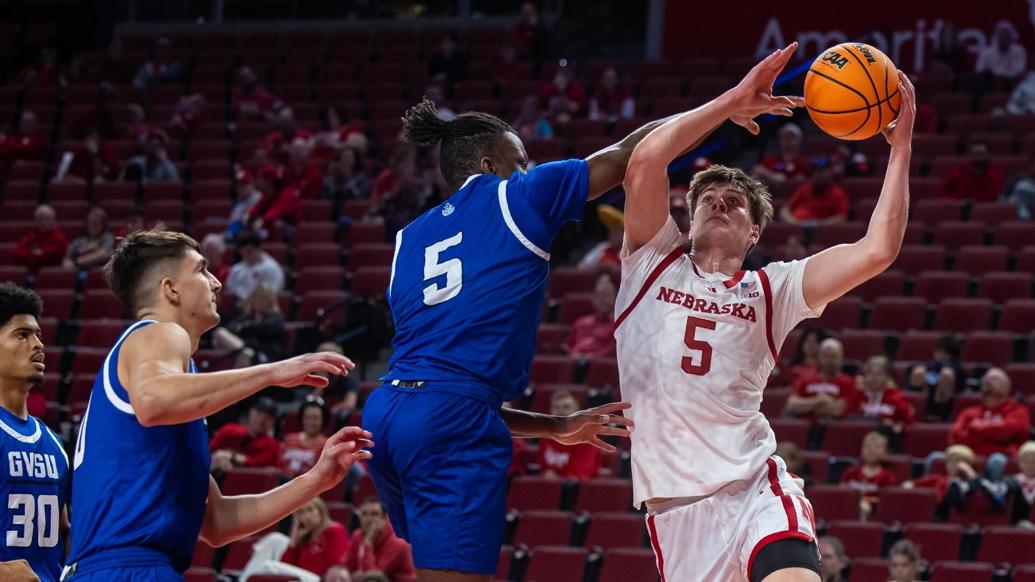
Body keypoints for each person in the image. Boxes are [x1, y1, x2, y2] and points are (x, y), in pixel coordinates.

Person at [362, 75, 687, 578]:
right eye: (521, 160)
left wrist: (554, 428)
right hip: (448, 420)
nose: (529, 169)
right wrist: (727, 106)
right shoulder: (519, 196)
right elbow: (633, 153)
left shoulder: (409, 241)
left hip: (386, 414)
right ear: (491, 164)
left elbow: (449, 385)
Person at [614, 43, 915, 582]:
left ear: (754, 233)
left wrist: (900, 148)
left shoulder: (773, 289)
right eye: (709, 199)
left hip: (755, 488)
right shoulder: (650, 264)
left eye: (735, 201)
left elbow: (877, 250)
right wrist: (731, 101)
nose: (720, 203)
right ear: (688, 220)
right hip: (674, 515)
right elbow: (645, 161)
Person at [65, 228, 373, 581]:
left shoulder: (178, 386)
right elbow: (153, 401)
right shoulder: (157, 332)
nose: (216, 283)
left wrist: (316, 480)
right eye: (200, 270)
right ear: (171, 289)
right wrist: (273, 371)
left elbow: (219, 523)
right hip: (125, 568)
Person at [0, 283, 71, 582]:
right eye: (22, 335)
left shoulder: (55, 444)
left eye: (39, 335)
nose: (38, 344)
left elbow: (65, 533)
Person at [239, 497, 349, 582]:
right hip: (300, 577)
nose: (306, 516)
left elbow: (334, 559)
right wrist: (294, 539)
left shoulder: (335, 530)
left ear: (321, 510)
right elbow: (286, 564)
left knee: (267, 566)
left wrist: (301, 569)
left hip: (319, 578)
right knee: (275, 538)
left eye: (310, 510)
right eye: (301, 512)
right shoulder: (305, 537)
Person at [325, 496, 416, 582]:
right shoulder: (358, 535)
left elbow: (373, 576)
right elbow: (348, 565)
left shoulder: (397, 542)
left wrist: (367, 544)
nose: (369, 519)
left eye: (374, 514)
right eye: (364, 514)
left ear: (384, 518)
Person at [951, 367, 1031, 458]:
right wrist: (993, 442)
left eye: (996, 380)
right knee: (936, 457)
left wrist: (974, 427)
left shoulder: (1018, 411)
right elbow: (956, 436)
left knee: (997, 459)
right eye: (986, 380)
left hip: (1003, 458)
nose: (989, 384)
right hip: (971, 456)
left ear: (1008, 386)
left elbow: (1004, 433)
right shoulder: (968, 413)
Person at [785, 338, 858, 423]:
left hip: (832, 428)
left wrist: (806, 407)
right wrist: (818, 400)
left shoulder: (848, 382)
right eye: (825, 356)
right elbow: (792, 404)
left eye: (833, 356)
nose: (829, 361)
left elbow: (837, 410)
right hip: (806, 427)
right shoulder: (806, 379)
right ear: (819, 357)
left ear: (841, 358)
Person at [211, 285, 286, 366]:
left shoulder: (275, 318)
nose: (259, 301)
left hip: (264, 354)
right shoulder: (247, 317)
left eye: (263, 298)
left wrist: (245, 328)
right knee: (221, 333)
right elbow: (231, 328)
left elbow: (264, 329)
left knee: (243, 355)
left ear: (270, 300)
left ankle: (243, 351)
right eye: (257, 297)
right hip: (247, 351)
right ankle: (243, 350)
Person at [538, 390, 603, 480]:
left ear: (577, 411)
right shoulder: (546, 436)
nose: (560, 412)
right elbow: (544, 469)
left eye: (566, 407)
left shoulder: (587, 438)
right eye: (556, 408)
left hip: (580, 491)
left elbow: (576, 477)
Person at [210, 397, 282, 473]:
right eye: (259, 413)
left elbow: (258, 463)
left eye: (268, 418)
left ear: (273, 422)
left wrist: (232, 456)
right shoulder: (229, 431)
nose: (261, 420)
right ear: (251, 412)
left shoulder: (272, 444)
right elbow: (209, 450)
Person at [840, 431, 897, 519]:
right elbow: (841, 494)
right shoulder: (851, 472)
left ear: (886, 452)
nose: (872, 450)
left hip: (875, 514)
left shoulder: (888, 476)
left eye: (877, 447)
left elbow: (887, 502)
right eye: (868, 447)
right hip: (849, 510)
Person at [907, 333, 963, 422]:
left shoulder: (956, 368)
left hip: (946, 405)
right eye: (938, 351)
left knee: (946, 374)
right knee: (919, 371)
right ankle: (916, 409)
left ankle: (940, 414)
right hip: (927, 400)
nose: (939, 354)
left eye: (944, 352)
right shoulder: (931, 365)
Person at [855, 355, 916, 433]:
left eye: (879, 374)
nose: (874, 378)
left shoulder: (898, 397)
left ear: (887, 377)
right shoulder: (855, 396)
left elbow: (910, 423)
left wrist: (897, 427)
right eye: (870, 373)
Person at [778, 157, 849, 225]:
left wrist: (816, 225)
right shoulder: (804, 189)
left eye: (822, 172)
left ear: (830, 174)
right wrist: (794, 222)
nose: (819, 175)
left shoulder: (837, 193)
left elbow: (841, 218)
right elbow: (784, 210)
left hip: (819, 231)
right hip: (796, 227)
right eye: (816, 172)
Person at [562, 275, 617, 359]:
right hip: (574, 362)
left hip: (598, 366)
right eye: (601, 296)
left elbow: (612, 349)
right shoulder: (580, 323)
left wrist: (591, 357)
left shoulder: (617, 326)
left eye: (608, 296)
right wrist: (573, 355)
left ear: (614, 300)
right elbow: (567, 346)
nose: (604, 300)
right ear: (594, 299)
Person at [225, 232, 286, 303]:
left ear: (258, 248)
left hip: (265, 306)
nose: (247, 255)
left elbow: (274, 291)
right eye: (243, 252)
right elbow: (231, 290)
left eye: (250, 251)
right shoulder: (236, 269)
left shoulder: (271, 267)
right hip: (240, 307)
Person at [280, 396, 331, 479]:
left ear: (323, 420)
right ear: (302, 418)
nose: (311, 422)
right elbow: (279, 466)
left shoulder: (327, 445)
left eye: (315, 418)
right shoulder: (289, 439)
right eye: (307, 417)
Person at [940, 140, 1005, 202]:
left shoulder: (996, 175)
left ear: (989, 155)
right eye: (976, 154)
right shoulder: (957, 172)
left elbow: (999, 199)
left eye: (982, 154)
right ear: (970, 156)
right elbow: (942, 195)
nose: (979, 158)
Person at [14, 205, 68, 273]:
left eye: (47, 219)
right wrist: (36, 254)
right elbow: (16, 253)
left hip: (52, 275)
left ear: (54, 221)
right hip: (31, 273)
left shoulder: (60, 238)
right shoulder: (30, 236)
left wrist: (30, 255)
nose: (43, 222)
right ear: (35, 221)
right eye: (40, 219)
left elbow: (49, 257)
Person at [975, 20, 1028, 90]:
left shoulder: (1019, 51)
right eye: (1000, 35)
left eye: (1005, 35)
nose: (1003, 38)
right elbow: (979, 70)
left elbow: (1019, 70)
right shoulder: (986, 52)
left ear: (1011, 36)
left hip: (1012, 84)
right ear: (996, 36)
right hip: (990, 85)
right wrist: (994, 76)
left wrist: (1001, 76)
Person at [63, 207, 115, 271]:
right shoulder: (78, 241)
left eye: (96, 223)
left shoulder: (107, 237)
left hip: (99, 272)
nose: (93, 226)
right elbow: (67, 259)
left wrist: (77, 262)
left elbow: (104, 253)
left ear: (103, 225)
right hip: (79, 272)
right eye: (91, 223)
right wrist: (68, 263)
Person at [576, 204, 624, 273]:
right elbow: (581, 268)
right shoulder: (602, 247)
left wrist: (613, 268)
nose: (611, 235)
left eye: (615, 232)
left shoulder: (631, 251)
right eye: (610, 231)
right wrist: (599, 267)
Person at [1007, 440, 1035, 527]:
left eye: (1034, 461)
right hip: (1015, 530)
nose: (1029, 465)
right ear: (1019, 462)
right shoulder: (1010, 482)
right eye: (1026, 461)